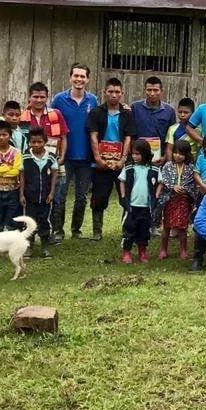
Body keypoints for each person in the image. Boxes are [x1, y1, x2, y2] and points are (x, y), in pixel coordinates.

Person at [51, 64, 99, 244]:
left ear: (87, 79)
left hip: (86, 157)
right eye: (76, 76)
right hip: (64, 156)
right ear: (70, 77)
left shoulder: (93, 100)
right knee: (60, 195)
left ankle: (76, 229)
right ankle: (58, 230)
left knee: (81, 197)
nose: (79, 80)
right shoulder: (58, 99)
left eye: (83, 77)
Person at [86, 78, 133, 242]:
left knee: (125, 198)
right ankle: (97, 231)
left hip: (121, 164)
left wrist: (123, 159)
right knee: (99, 198)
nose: (114, 95)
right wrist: (98, 158)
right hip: (101, 164)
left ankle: (127, 229)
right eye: (110, 91)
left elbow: (128, 137)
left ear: (122, 94)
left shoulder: (127, 113)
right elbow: (93, 135)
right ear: (105, 93)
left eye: (117, 92)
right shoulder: (96, 112)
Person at [119, 139, 159, 264]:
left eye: (138, 154)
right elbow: (122, 180)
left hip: (146, 206)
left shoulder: (154, 169)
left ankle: (142, 251)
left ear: (145, 153)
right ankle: (126, 252)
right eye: (133, 154)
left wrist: (156, 196)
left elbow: (161, 183)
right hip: (131, 206)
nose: (135, 156)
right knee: (129, 229)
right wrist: (123, 195)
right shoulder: (129, 167)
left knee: (144, 229)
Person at [19, 126, 57, 258]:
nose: (36, 144)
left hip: (45, 197)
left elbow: (54, 175)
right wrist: (21, 194)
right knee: (29, 221)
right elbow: (22, 175)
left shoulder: (51, 157)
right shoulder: (25, 156)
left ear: (45, 142)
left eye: (39, 142)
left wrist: (52, 193)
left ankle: (45, 246)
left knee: (44, 220)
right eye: (33, 142)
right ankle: (29, 246)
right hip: (30, 197)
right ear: (30, 142)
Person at [157, 139, 196, 260]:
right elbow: (164, 180)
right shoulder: (168, 166)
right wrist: (173, 186)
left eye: (181, 154)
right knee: (167, 226)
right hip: (170, 200)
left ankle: (183, 250)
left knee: (182, 227)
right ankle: (163, 249)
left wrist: (186, 190)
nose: (178, 156)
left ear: (187, 155)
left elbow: (192, 183)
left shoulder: (190, 168)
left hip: (183, 201)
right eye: (176, 152)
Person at [130, 75, 177, 165]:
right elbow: (130, 134)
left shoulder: (169, 111)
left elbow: (170, 137)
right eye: (149, 90)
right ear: (145, 90)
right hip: (138, 159)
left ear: (161, 91)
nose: (152, 93)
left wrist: (165, 157)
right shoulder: (135, 107)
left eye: (155, 90)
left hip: (159, 159)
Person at [24, 81, 68, 163]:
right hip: (30, 162)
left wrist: (62, 157)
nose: (39, 100)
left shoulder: (55, 114)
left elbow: (64, 137)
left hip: (53, 161)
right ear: (29, 97)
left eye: (42, 97)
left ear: (47, 98)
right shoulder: (23, 117)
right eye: (35, 97)